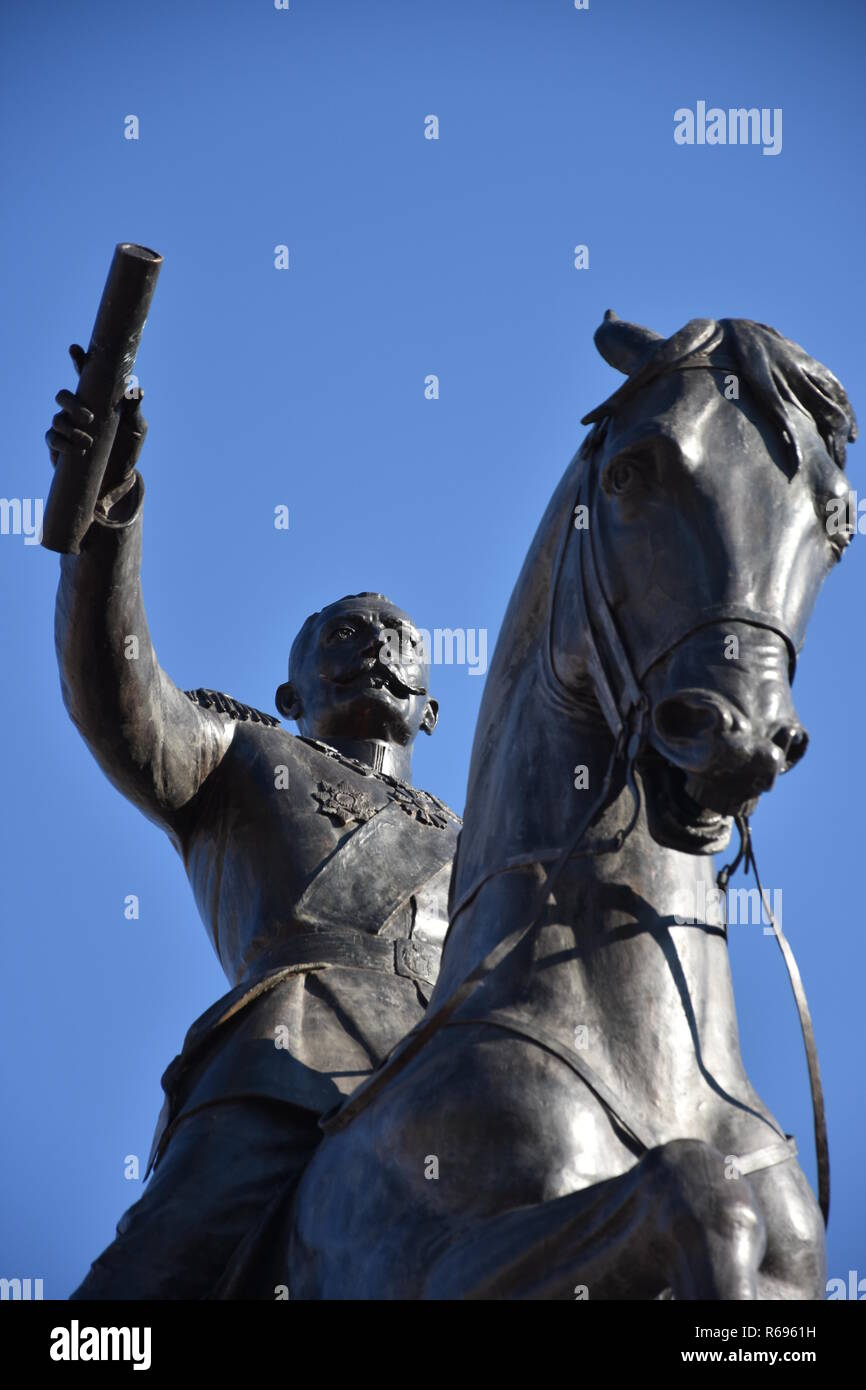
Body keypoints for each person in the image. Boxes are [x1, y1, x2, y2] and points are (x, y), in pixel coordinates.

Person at [46, 346, 461, 1298]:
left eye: (399, 635)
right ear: (292, 688)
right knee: (153, 1279)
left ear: (433, 709)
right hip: (288, 1065)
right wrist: (109, 503)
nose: (380, 644)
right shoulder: (240, 752)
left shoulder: (491, 835)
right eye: (347, 632)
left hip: (463, 1086)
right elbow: (113, 691)